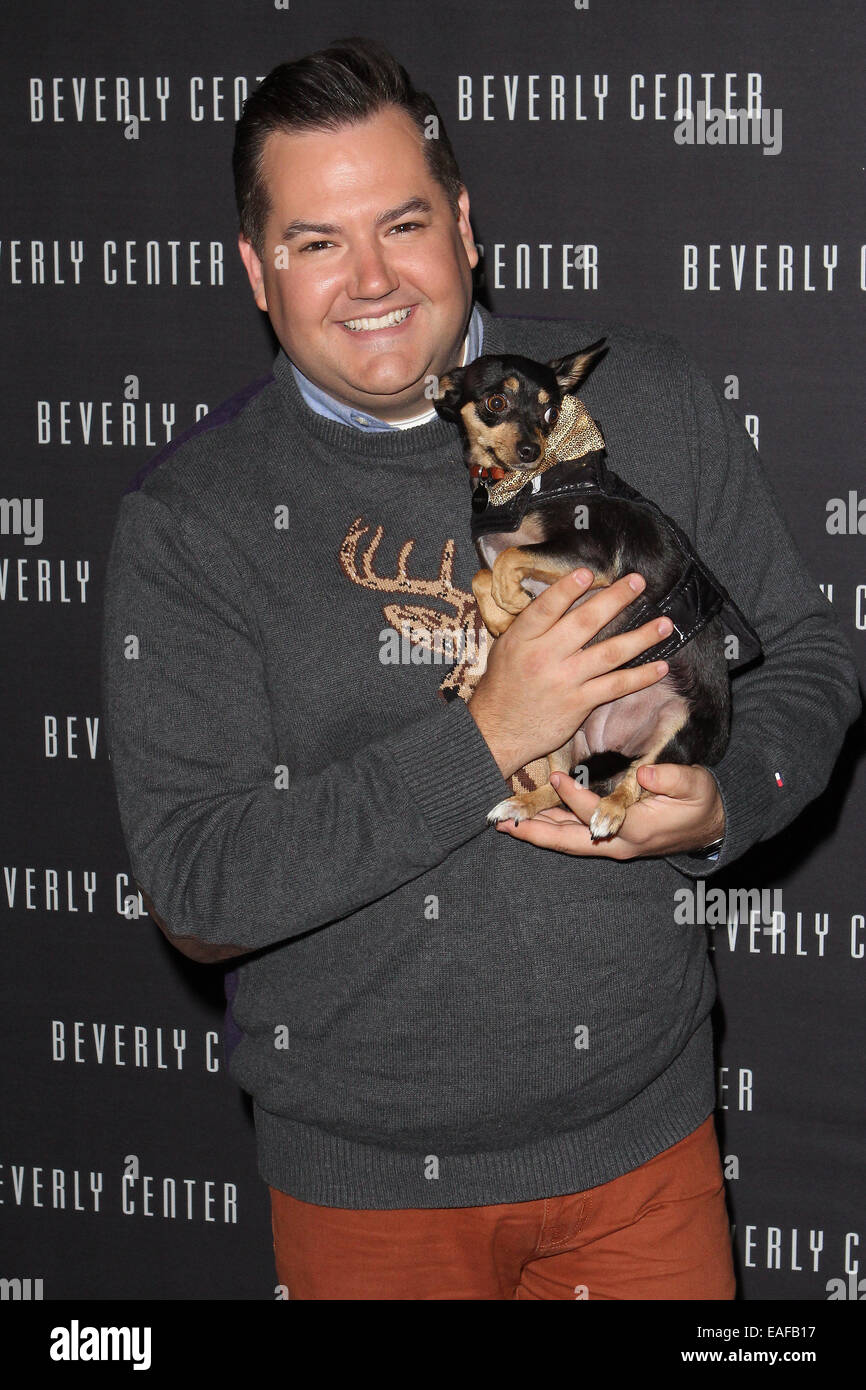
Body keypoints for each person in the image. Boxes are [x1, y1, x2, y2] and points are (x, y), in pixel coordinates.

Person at [101, 37, 861, 1300]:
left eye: (400, 222)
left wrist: (731, 797)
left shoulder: (653, 401)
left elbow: (809, 657)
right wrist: (486, 733)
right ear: (254, 272)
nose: (370, 279)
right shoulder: (192, 521)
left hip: (642, 1148)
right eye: (313, 241)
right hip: (366, 1192)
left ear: (461, 222)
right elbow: (198, 883)